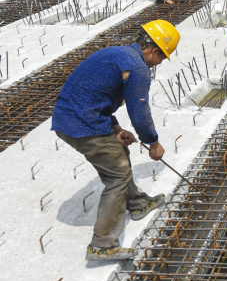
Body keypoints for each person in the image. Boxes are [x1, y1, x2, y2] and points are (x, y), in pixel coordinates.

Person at [52, 20, 181, 261]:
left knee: (118, 156)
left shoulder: (116, 52)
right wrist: (152, 142)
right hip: (82, 124)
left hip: (70, 117)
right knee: (117, 175)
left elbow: (94, 94)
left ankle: (136, 202)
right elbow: (139, 111)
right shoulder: (138, 67)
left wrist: (116, 129)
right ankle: (102, 244)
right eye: (163, 57)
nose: (160, 63)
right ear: (154, 50)